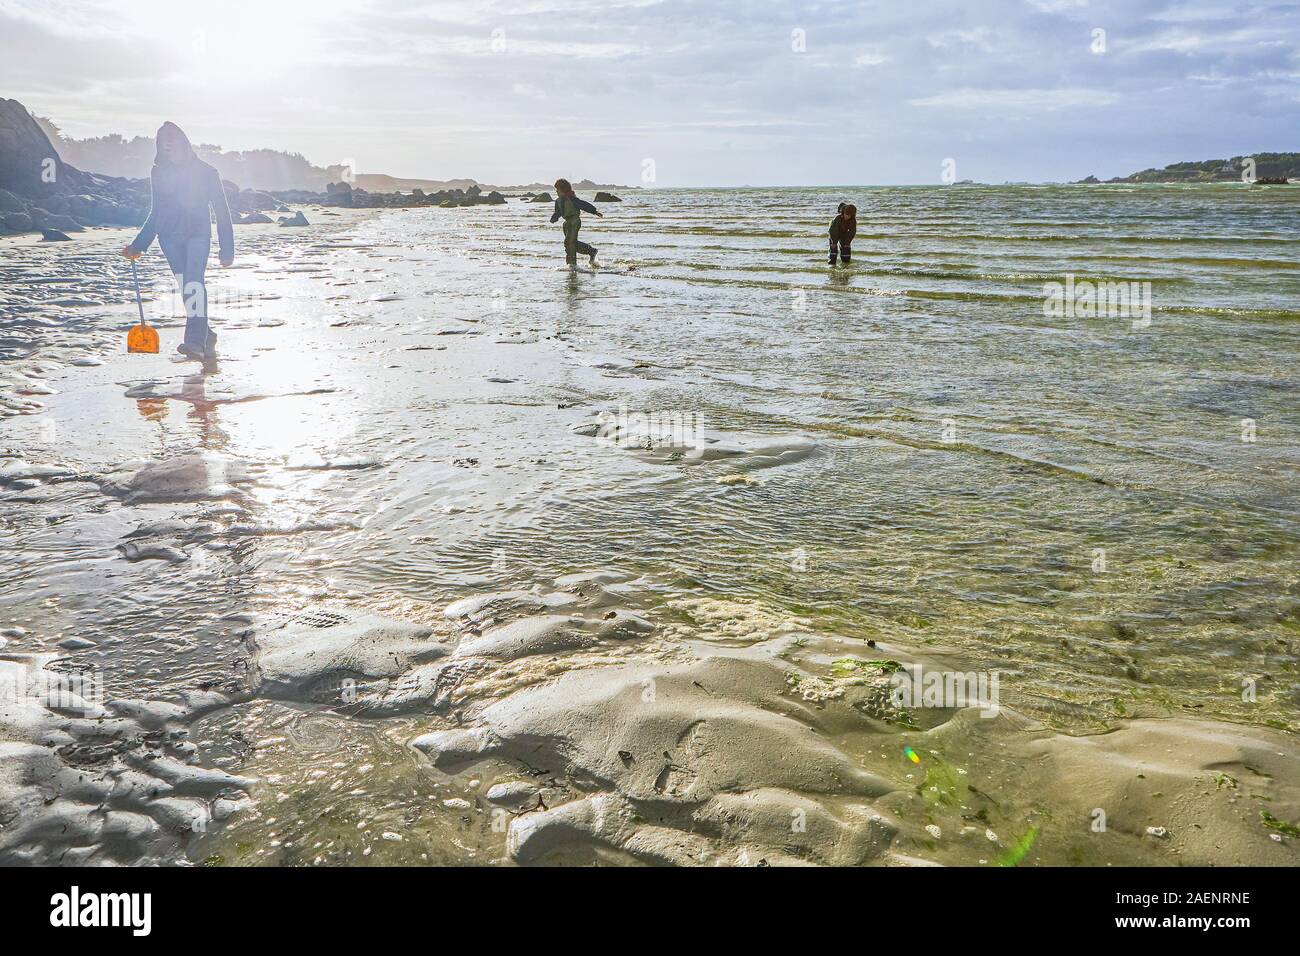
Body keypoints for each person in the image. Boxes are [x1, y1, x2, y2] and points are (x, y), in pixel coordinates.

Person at [121, 122, 234, 362]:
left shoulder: (207, 171)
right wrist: (138, 246)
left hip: (197, 235)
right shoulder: (158, 172)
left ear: (183, 141)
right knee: (187, 287)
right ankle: (207, 336)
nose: (168, 144)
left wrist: (227, 248)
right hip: (168, 237)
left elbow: (222, 211)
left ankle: (194, 342)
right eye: (163, 141)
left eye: (172, 139)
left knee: (194, 282)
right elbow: (156, 211)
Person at [550, 178, 602, 266]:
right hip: (566, 223)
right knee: (571, 243)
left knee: (569, 242)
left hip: (575, 221)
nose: (556, 191)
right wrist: (554, 218)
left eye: (557, 189)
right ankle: (591, 251)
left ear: (563, 190)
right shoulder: (558, 201)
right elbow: (558, 212)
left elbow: (584, 205)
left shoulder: (572, 199)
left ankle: (572, 265)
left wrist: (594, 211)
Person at [828, 201, 857, 266]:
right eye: (846, 214)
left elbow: (852, 232)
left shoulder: (853, 220)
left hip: (844, 233)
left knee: (846, 250)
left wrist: (847, 242)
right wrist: (834, 242)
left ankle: (845, 265)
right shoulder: (837, 218)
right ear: (843, 213)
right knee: (833, 250)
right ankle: (832, 266)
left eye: (849, 215)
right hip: (833, 232)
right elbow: (833, 231)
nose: (847, 216)